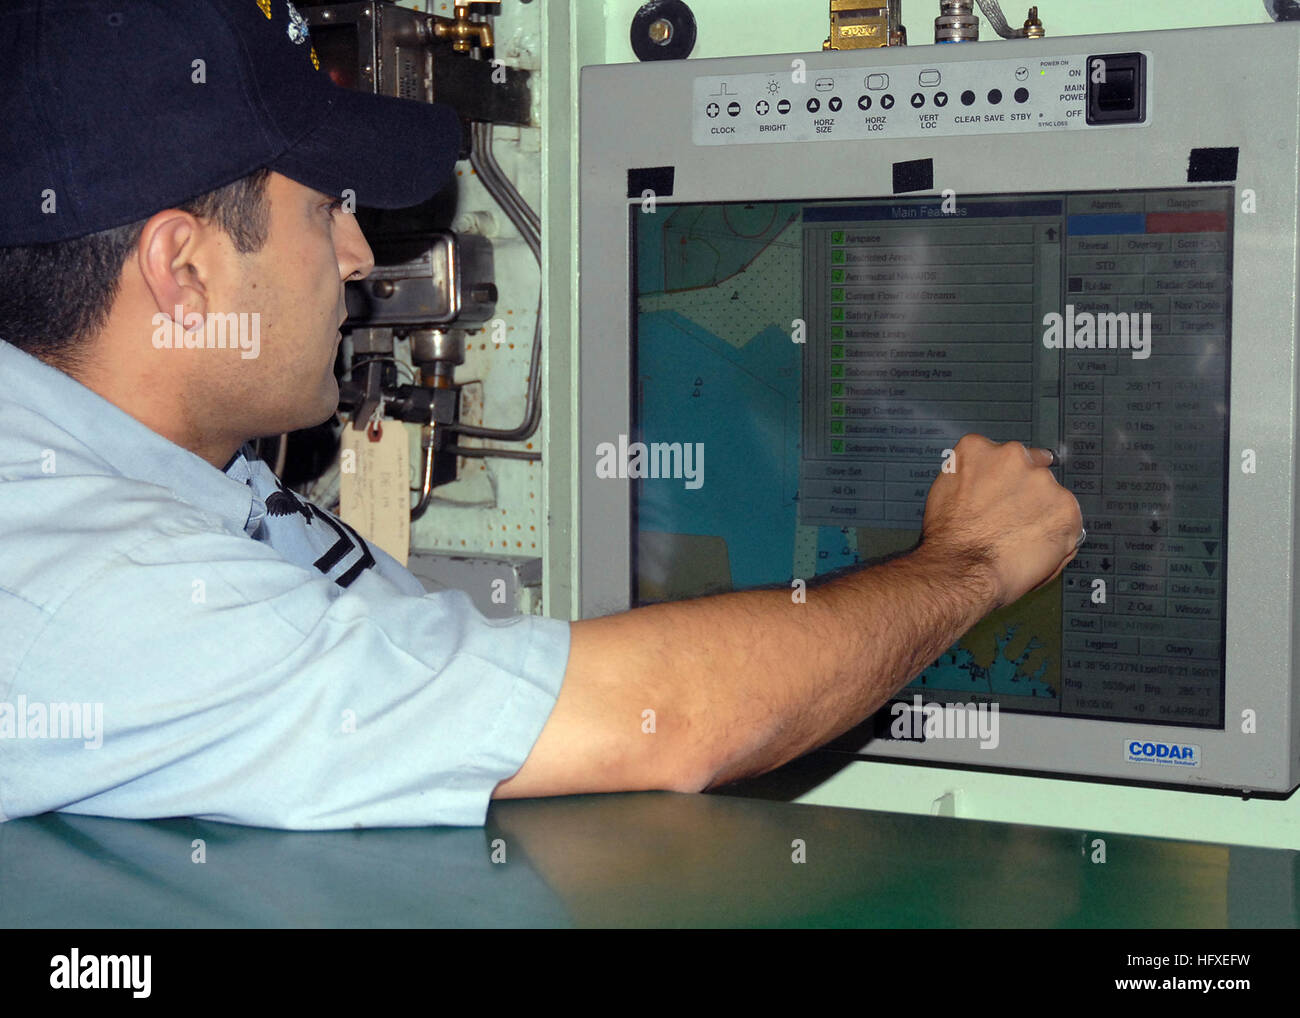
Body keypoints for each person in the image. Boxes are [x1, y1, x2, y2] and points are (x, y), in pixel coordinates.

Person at [0, 0, 1081, 829]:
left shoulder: (158, 479)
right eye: (324, 209)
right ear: (183, 271)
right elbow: (665, 725)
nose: (358, 255)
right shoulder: (94, 588)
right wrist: (972, 561)